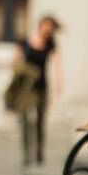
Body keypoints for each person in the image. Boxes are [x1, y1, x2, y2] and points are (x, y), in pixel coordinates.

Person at [15, 15, 62, 166]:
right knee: (25, 120)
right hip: (26, 87)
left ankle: (39, 152)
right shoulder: (26, 41)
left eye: (51, 27)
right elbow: (15, 61)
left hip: (42, 86)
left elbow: (56, 64)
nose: (48, 29)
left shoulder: (50, 43)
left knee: (40, 121)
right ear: (40, 25)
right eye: (47, 25)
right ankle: (26, 154)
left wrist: (58, 83)